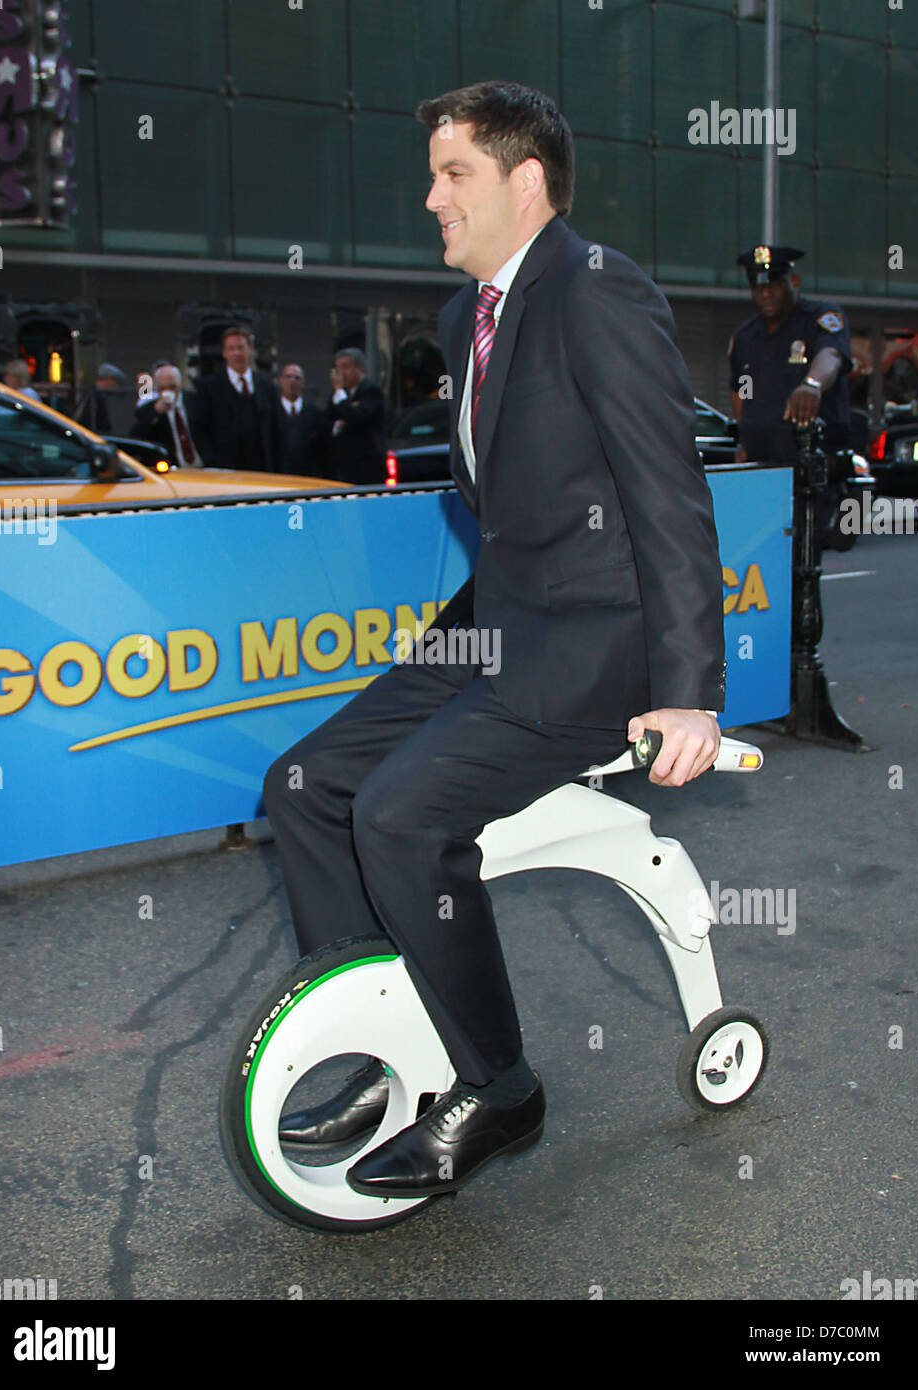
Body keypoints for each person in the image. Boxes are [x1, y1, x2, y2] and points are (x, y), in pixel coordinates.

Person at [263, 81, 726, 1203]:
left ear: (526, 184)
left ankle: (500, 1087)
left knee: (402, 810)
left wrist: (690, 693)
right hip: (498, 629)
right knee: (305, 784)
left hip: (595, 646)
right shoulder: (473, 316)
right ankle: (393, 1049)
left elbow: (669, 497)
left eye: (452, 172)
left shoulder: (597, 292)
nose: (431, 197)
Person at [728, 246, 853, 541]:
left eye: (773, 285)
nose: (765, 295)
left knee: (801, 565)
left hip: (806, 473)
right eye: (758, 288)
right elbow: (739, 390)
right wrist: (745, 438)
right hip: (762, 472)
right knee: (762, 563)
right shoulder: (745, 337)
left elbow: (831, 356)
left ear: (792, 282)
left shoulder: (818, 318)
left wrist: (811, 385)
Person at [190, 326, 282, 471]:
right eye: (231, 349)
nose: (236, 353)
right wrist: (211, 460)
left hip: (263, 469)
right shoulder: (208, 387)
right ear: (224, 353)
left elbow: (277, 428)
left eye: (240, 347)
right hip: (224, 469)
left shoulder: (267, 387)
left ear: (250, 349)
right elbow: (198, 428)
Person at [324, 347, 386, 484]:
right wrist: (339, 423)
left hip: (367, 467)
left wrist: (340, 391)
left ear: (360, 369)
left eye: (345, 367)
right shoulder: (336, 396)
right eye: (337, 368)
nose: (340, 374)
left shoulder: (371, 391)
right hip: (343, 467)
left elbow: (357, 417)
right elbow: (328, 421)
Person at [129, 363, 202, 467]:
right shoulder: (148, 410)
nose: (167, 391)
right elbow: (137, 436)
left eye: (172, 387)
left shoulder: (196, 402)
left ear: (180, 385)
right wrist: (156, 412)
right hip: (173, 467)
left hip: (202, 463)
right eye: (162, 388)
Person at [275, 362, 327, 476]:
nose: (292, 381)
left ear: (303, 383)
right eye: (288, 377)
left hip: (306, 476)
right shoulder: (271, 412)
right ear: (280, 381)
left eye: (297, 378)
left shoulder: (314, 413)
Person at [75, 363, 134, 437]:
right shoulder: (94, 397)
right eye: (116, 382)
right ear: (108, 380)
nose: (117, 386)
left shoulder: (95, 394)